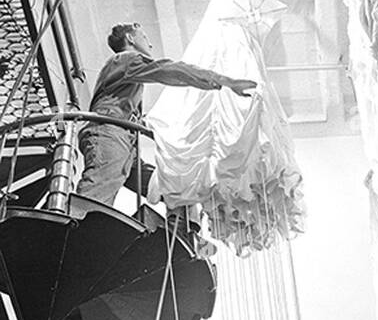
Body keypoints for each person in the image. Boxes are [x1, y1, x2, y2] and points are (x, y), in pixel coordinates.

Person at [76, 22, 257, 207]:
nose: (150, 44)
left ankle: (183, 222)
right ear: (130, 38)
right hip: (111, 134)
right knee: (97, 193)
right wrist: (222, 80)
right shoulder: (127, 59)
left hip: (123, 139)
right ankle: (74, 228)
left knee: (169, 190)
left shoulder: (124, 72)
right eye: (144, 37)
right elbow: (169, 69)